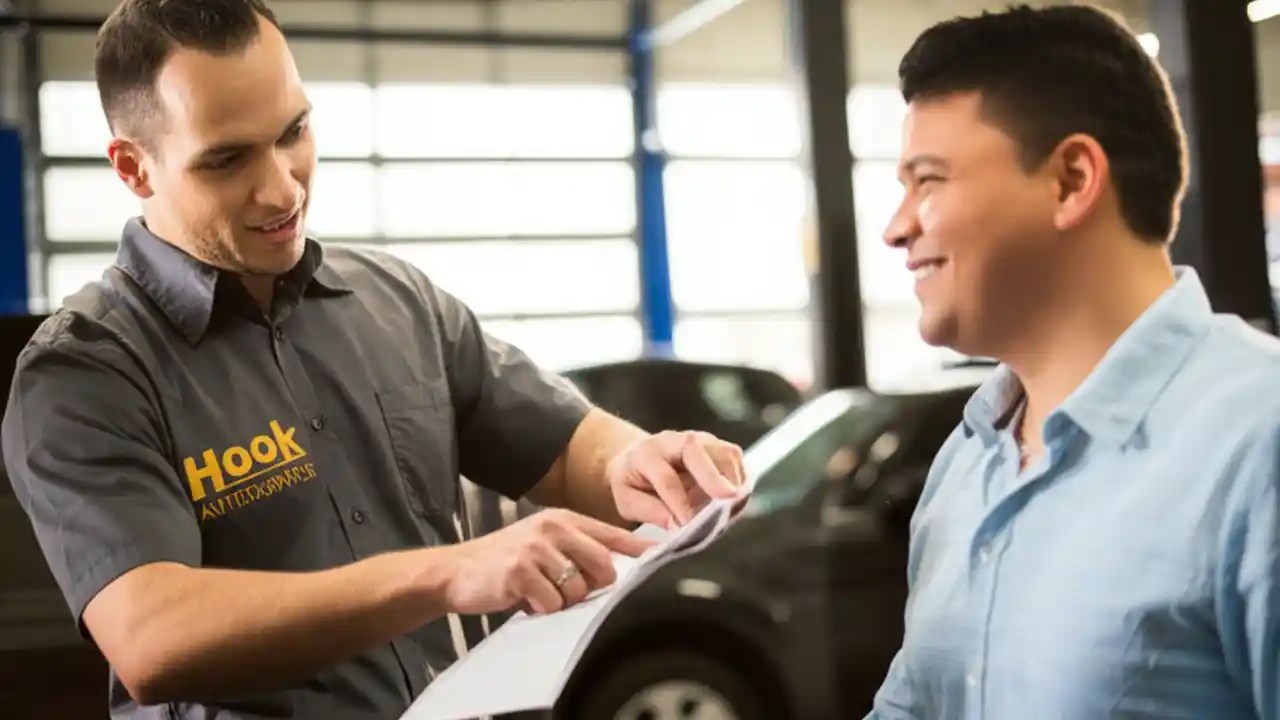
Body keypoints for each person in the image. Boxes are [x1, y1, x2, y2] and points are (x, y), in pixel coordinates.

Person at [0, 1, 747, 718]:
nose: (282, 186)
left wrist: (640, 461)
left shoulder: (395, 300)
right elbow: (152, 636)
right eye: (227, 160)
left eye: (293, 131)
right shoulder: (84, 373)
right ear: (134, 168)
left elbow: (564, 446)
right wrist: (447, 575)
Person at [867, 5, 1279, 719]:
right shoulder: (967, 465)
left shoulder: (1257, 437)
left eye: (927, 181)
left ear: (1071, 180)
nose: (896, 227)